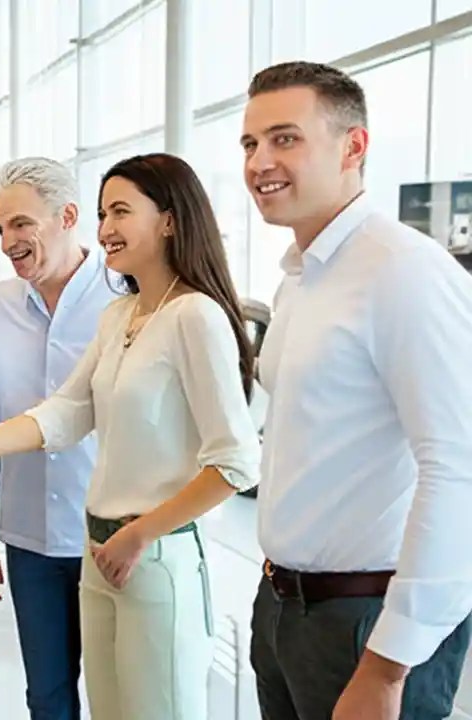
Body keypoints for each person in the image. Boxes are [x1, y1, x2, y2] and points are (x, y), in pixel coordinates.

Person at [0, 153, 260, 720]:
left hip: (150, 553)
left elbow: (236, 462)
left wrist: (138, 534)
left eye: (120, 212)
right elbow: (62, 416)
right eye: (104, 214)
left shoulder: (196, 316)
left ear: (170, 220)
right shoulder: (121, 315)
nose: (106, 230)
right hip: (97, 548)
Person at [241, 60, 472, 720]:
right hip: (286, 608)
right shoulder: (302, 279)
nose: (261, 162)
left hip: (365, 624)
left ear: (354, 146)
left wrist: (388, 663)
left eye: (285, 138)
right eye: (250, 144)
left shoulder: (403, 272)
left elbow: (457, 466)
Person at [0, 157, 122, 719]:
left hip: (110, 540)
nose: (8, 241)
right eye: (0, 228)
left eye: (20, 224)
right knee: (47, 697)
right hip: (29, 540)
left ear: (68, 216)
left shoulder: (125, 300)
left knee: (119, 697)